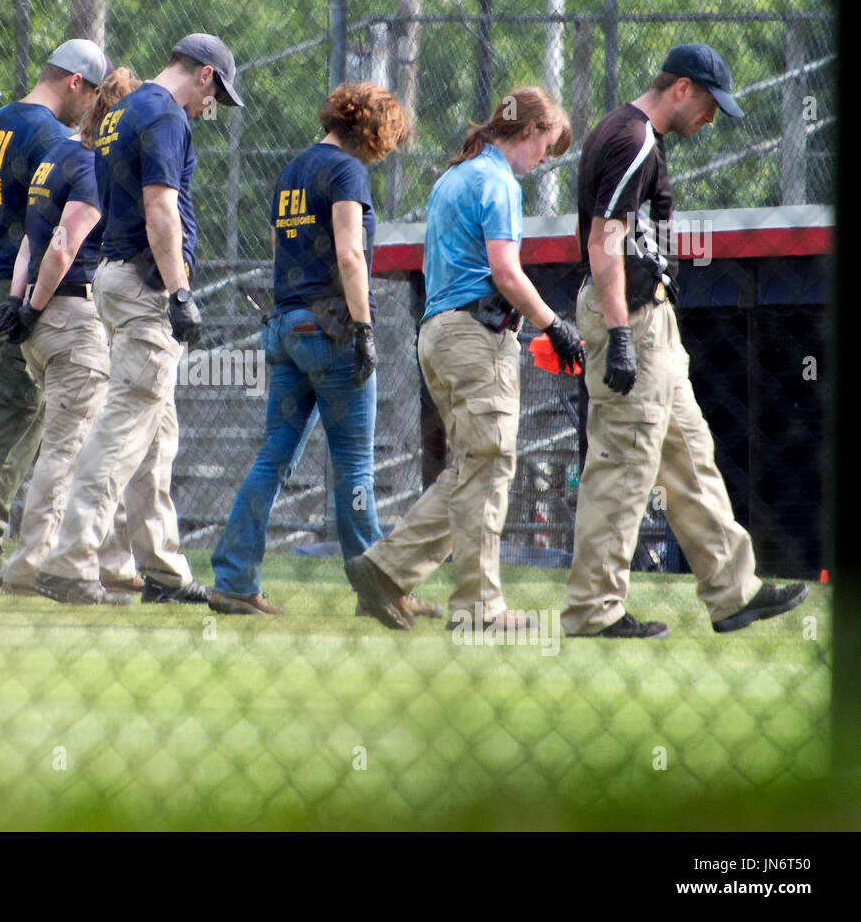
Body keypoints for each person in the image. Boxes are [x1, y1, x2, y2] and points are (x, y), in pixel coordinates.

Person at [562, 43, 808, 638]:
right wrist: (620, 334)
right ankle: (594, 610)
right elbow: (604, 241)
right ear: (681, 88)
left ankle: (733, 592)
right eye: (708, 105)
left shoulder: (635, 134)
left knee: (692, 459)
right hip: (631, 319)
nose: (710, 119)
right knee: (623, 463)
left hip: (653, 318)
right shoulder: (633, 139)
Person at [345, 86, 582, 632]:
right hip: (478, 337)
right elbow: (506, 272)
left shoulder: (454, 176)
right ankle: (478, 609)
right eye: (545, 146)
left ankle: (384, 570)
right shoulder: (496, 181)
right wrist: (555, 324)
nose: (543, 161)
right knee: (488, 468)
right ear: (527, 131)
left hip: (438, 332)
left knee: (472, 468)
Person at [33, 33, 244, 605]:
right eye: (215, 94)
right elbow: (160, 207)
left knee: (156, 440)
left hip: (115, 276)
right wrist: (179, 292)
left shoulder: (121, 110)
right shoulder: (166, 115)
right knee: (122, 431)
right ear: (202, 74)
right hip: (148, 286)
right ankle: (70, 563)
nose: (211, 108)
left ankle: (163, 572)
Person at [208, 82, 409, 615]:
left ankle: (233, 579)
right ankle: (377, 586)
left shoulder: (294, 170)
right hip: (332, 329)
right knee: (355, 464)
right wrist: (364, 329)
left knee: (273, 456)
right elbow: (350, 254)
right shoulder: (347, 171)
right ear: (370, 129)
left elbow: (279, 247)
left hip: (287, 326)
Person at [0, 39, 109, 589]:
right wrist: (30, 298)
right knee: (14, 423)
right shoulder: (51, 136)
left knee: (20, 421)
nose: (91, 108)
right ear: (74, 83)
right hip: (18, 289)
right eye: (91, 94)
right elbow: (49, 229)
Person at [0, 67, 147, 598]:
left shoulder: (54, 156)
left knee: (81, 443)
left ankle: (111, 559)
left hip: (43, 317)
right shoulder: (89, 165)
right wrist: (35, 307)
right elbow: (61, 246)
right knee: (68, 450)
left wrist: (19, 304)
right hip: (71, 317)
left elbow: (28, 244)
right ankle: (32, 562)